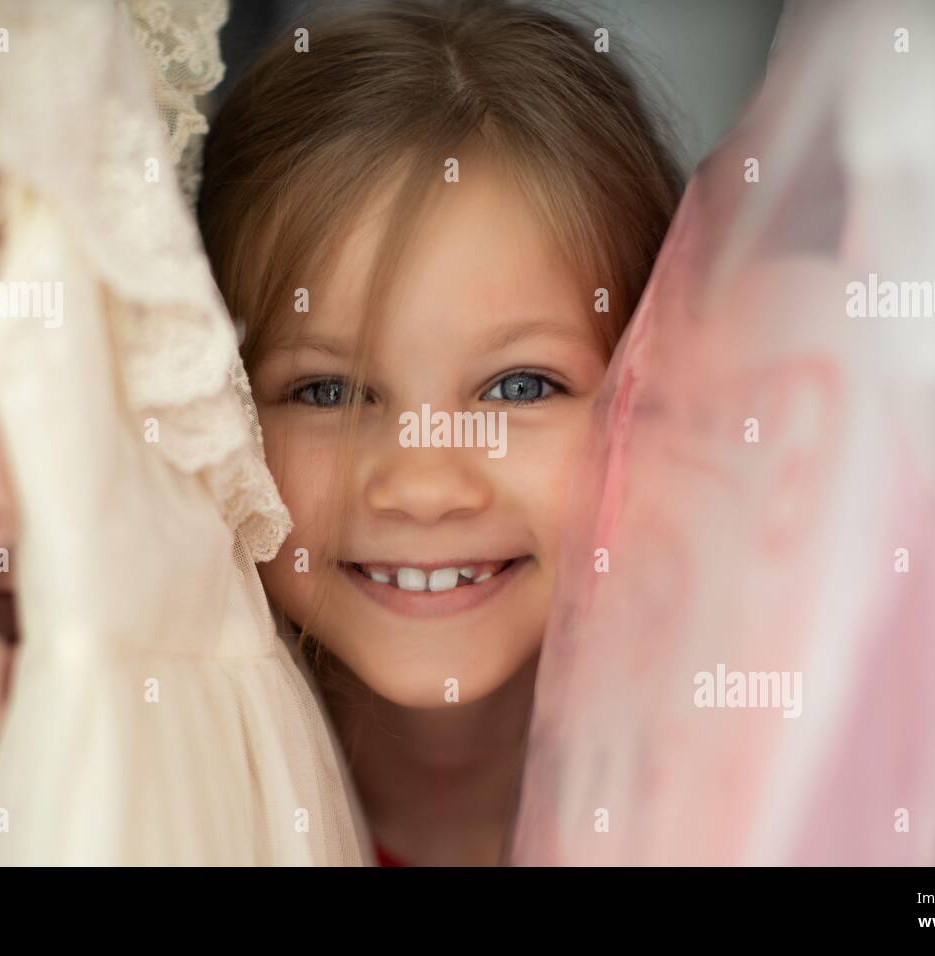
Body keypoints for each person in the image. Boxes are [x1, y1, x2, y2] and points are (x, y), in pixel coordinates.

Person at [200, 0, 683, 866]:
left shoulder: (752, 795)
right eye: (328, 389)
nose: (422, 487)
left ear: (653, 392)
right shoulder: (180, 809)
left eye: (519, 386)